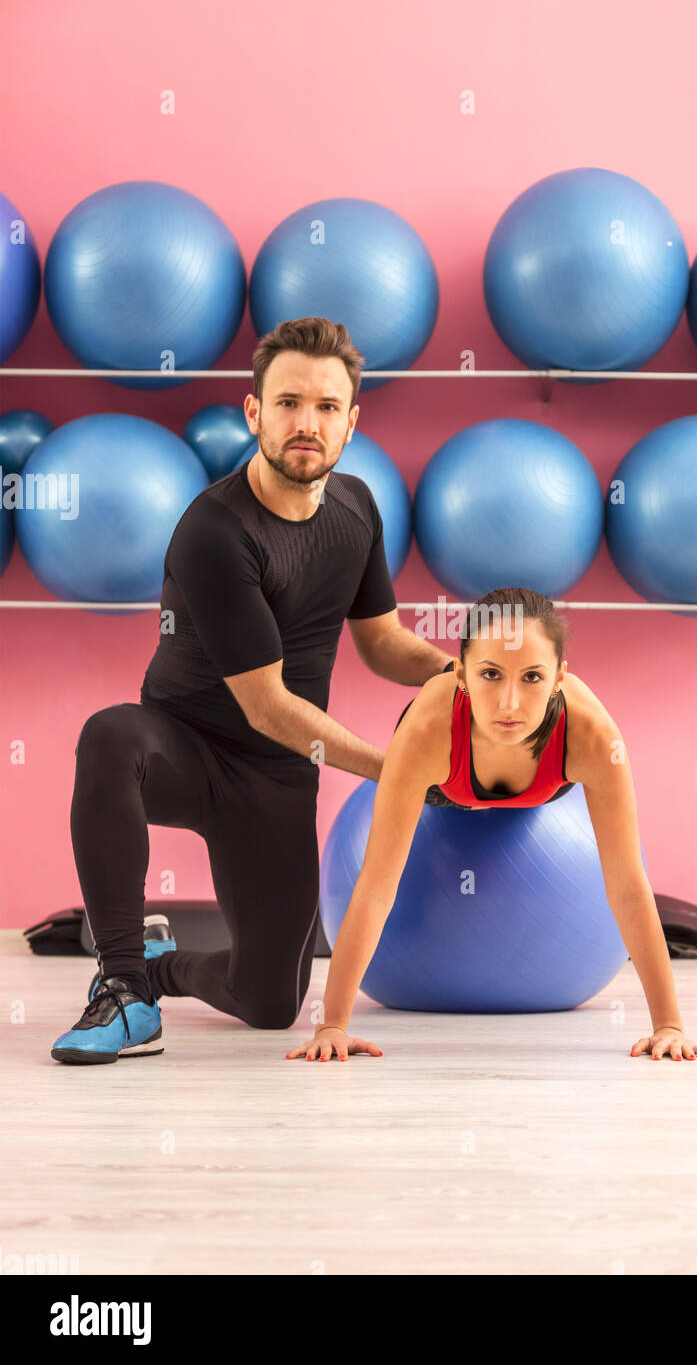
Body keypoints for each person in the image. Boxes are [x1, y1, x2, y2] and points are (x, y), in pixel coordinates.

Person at [52, 316, 452, 1064]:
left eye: (327, 407)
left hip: (276, 777)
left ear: (351, 421)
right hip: (185, 747)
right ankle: (124, 989)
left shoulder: (358, 511)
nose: (308, 423)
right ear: (254, 412)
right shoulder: (214, 529)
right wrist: (397, 772)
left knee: (270, 1004)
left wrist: (463, 676)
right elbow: (265, 704)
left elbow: (381, 642)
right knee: (109, 735)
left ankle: (160, 967)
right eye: (290, 403)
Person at [286, 587, 697, 1067]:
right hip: (446, 787)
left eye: (532, 677)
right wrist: (332, 1027)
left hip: (545, 785)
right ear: (462, 675)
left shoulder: (592, 736)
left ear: (559, 679)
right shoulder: (428, 733)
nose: (510, 702)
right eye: (490, 674)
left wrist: (669, 1026)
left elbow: (628, 887)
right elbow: (375, 888)